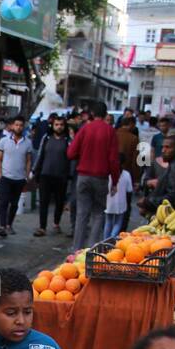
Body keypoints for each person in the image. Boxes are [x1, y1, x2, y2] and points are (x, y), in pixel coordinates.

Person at [67, 100, 121, 251]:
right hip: (101, 178)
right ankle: (92, 250)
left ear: (91, 114)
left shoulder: (85, 129)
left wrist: (82, 155)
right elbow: (114, 160)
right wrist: (115, 181)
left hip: (83, 176)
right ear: (105, 115)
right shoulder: (110, 131)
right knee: (98, 214)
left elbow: (71, 153)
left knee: (81, 214)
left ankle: (76, 250)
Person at [32, 114, 71, 237]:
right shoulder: (47, 138)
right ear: (52, 125)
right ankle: (42, 227)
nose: (59, 127)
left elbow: (71, 158)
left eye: (61, 125)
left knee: (59, 202)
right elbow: (40, 155)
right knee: (44, 201)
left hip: (61, 176)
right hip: (45, 174)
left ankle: (56, 222)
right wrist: (35, 170)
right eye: (56, 125)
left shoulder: (67, 140)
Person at [0, 115, 32, 237]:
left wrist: (26, 176)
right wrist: (0, 174)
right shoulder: (4, 141)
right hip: (5, 177)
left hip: (19, 178)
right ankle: (1, 226)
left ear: (23, 127)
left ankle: (9, 225)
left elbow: (28, 161)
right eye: (16, 125)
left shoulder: (27, 143)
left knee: (14, 204)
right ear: (12, 126)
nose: (18, 127)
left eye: (21, 125)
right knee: (3, 202)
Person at [144, 134, 175, 213]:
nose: (163, 150)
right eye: (162, 147)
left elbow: (174, 196)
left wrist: (149, 201)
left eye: (167, 147)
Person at [103, 166, 134, 240]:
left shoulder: (107, 172)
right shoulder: (126, 174)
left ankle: (105, 240)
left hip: (109, 202)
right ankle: (112, 239)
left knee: (108, 222)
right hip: (121, 203)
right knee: (118, 223)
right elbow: (129, 189)